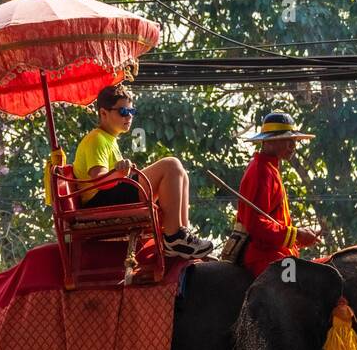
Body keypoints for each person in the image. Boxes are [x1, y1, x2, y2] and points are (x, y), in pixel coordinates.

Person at [73, 83, 214, 259]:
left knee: (180, 173)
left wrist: (123, 173)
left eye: (132, 112)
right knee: (171, 165)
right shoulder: (97, 139)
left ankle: (182, 234)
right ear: (103, 113)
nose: (129, 117)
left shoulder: (109, 139)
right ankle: (173, 237)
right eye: (124, 112)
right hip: (100, 201)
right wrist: (120, 173)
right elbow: (100, 182)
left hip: (112, 194)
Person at [236, 111, 322, 277]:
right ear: (268, 142)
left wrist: (299, 236)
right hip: (265, 258)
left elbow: (275, 223)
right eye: (286, 140)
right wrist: (296, 235)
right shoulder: (261, 171)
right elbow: (256, 225)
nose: (293, 146)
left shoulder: (270, 168)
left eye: (294, 141)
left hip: (277, 256)